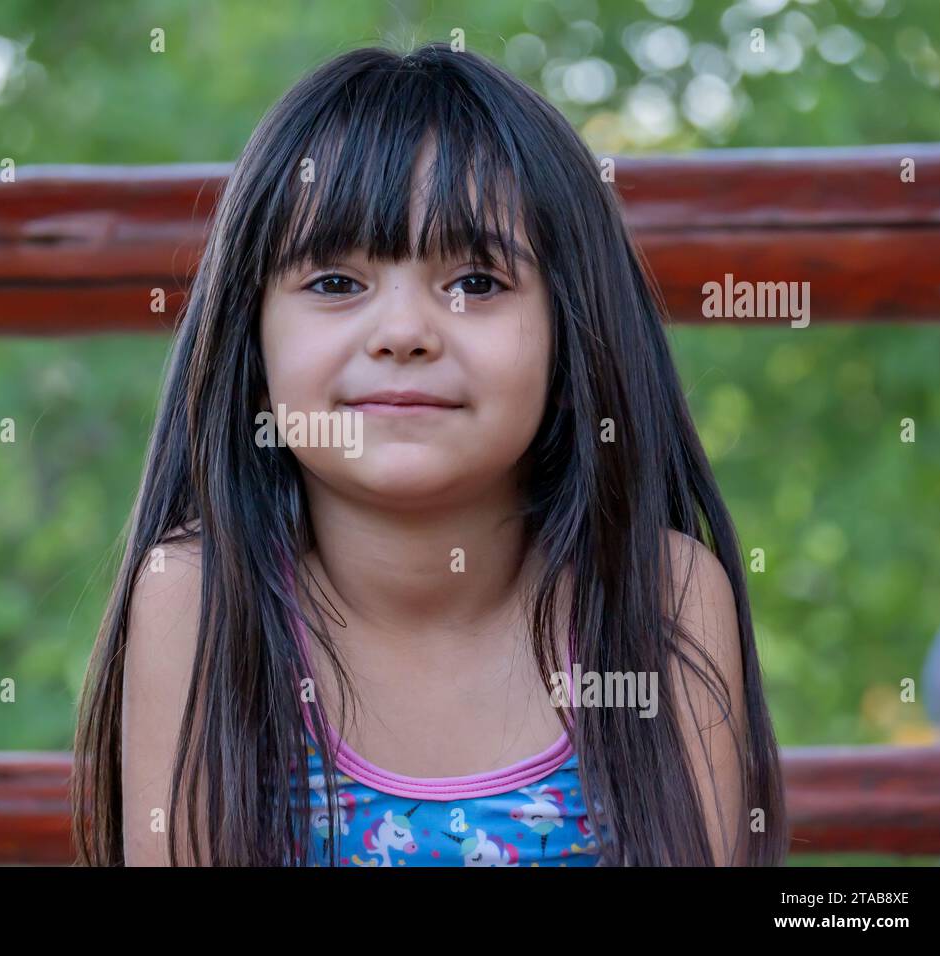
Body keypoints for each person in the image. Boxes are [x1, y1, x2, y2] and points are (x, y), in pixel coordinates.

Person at [73, 42, 788, 866]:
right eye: (336, 283)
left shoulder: (657, 593)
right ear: (250, 344)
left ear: (572, 340)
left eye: (477, 282)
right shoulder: (196, 602)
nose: (405, 333)